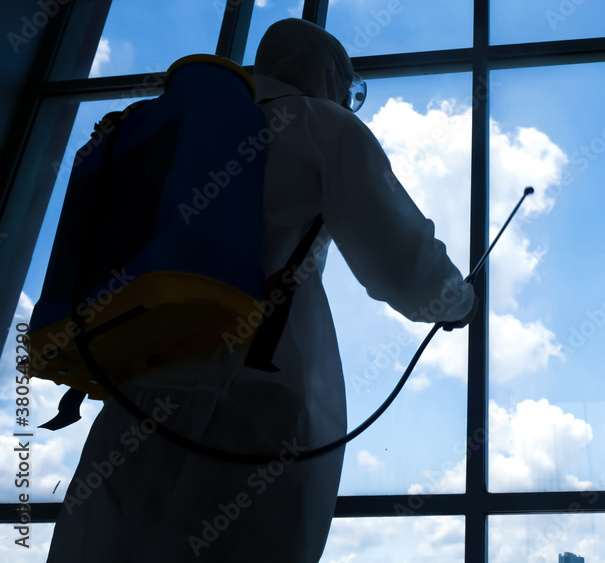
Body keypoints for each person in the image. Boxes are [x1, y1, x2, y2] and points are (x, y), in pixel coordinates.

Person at [46, 18, 477, 563]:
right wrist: (458, 302)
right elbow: (401, 260)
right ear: (328, 74)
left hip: (138, 389)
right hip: (259, 393)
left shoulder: (174, 127)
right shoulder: (320, 122)